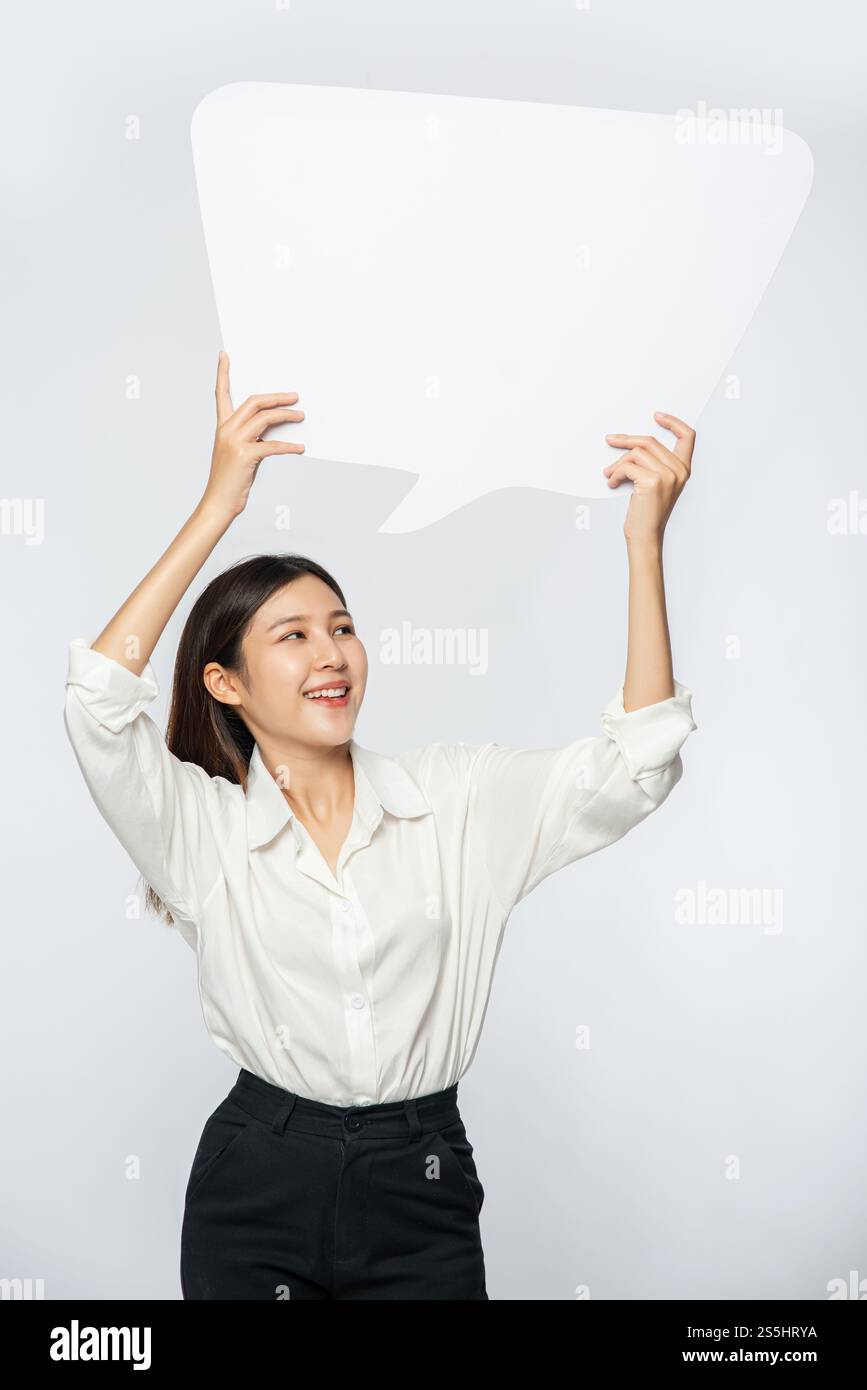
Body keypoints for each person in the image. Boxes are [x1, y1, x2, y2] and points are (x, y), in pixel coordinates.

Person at [63, 351, 698, 1300]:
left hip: (422, 1181)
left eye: (343, 626)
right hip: (256, 1183)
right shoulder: (201, 831)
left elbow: (636, 766)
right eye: (293, 635)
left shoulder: (458, 802)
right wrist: (218, 506)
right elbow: (97, 706)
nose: (332, 653)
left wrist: (643, 544)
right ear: (225, 685)